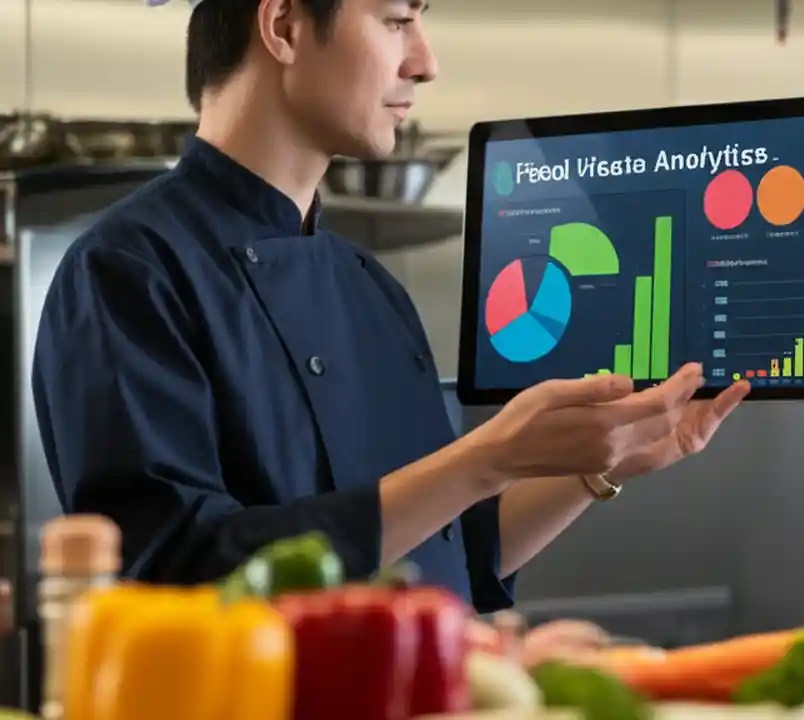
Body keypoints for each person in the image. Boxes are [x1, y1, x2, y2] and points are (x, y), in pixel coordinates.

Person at [31, 0, 750, 615]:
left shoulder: (372, 288)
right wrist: (483, 460)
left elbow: (453, 555)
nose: (425, 62)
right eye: (398, 19)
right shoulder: (130, 270)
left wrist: (594, 467)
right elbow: (173, 574)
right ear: (282, 25)